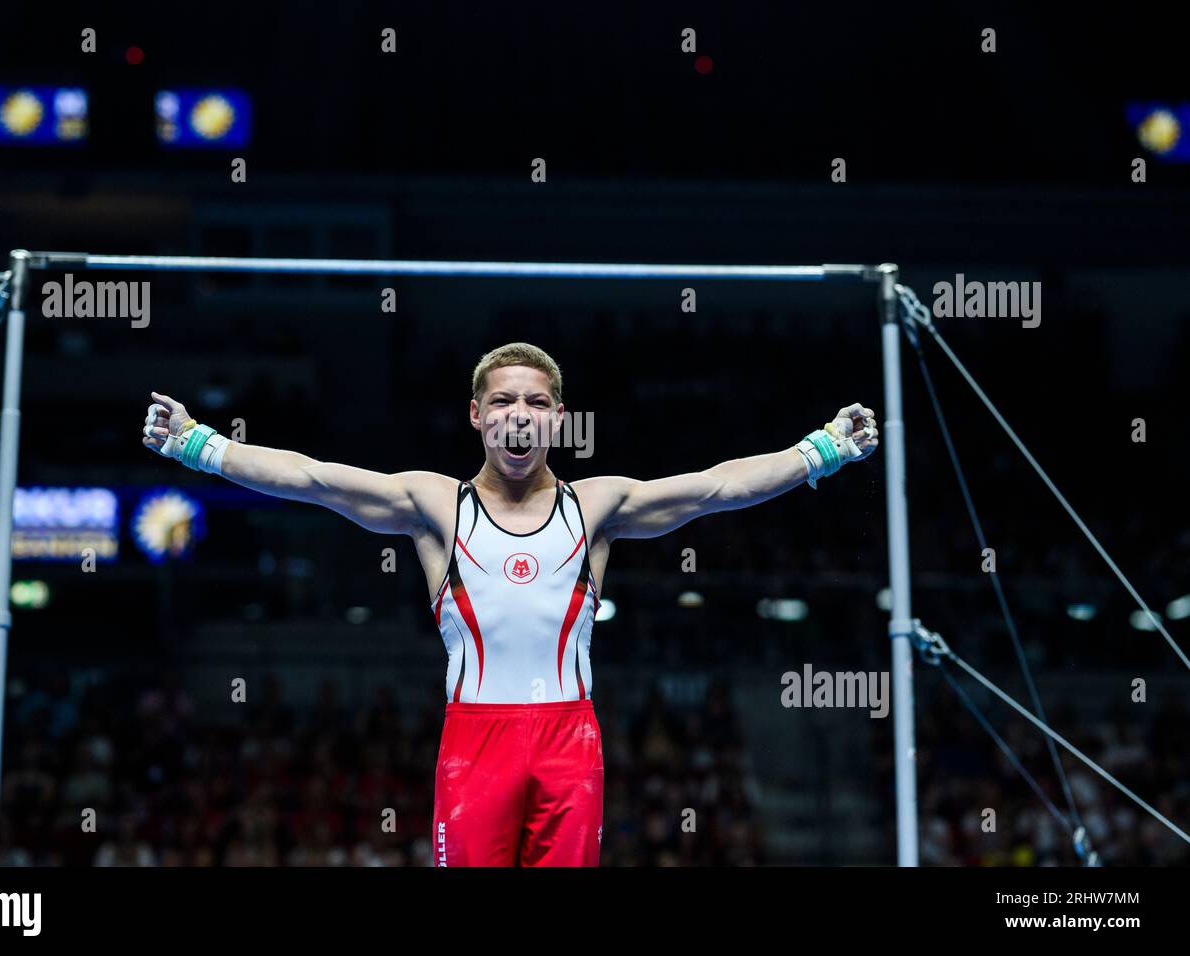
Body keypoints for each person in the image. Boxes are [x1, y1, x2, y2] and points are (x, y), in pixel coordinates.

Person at [141, 341, 879, 866]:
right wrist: (200, 445)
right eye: (502, 401)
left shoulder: (598, 506)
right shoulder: (432, 504)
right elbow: (312, 479)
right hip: (475, 741)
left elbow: (721, 486)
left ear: (558, 416)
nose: (518, 416)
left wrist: (821, 450)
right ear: (475, 415)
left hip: (569, 740)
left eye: (534, 402)